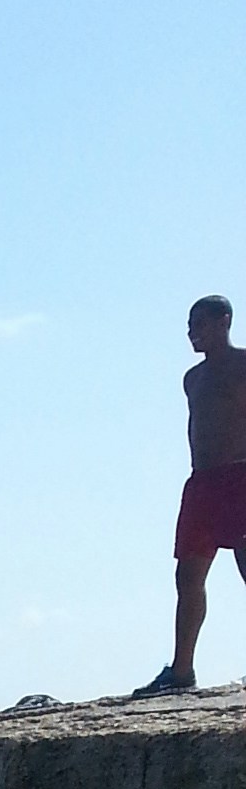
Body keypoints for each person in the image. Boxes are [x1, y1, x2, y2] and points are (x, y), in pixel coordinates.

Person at [134, 294, 246, 697]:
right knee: (188, 575)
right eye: (188, 326)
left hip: (240, 476)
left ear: (223, 321)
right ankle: (182, 670)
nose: (191, 333)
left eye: (198, 324)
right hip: (202, 484)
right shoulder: (192, 378)